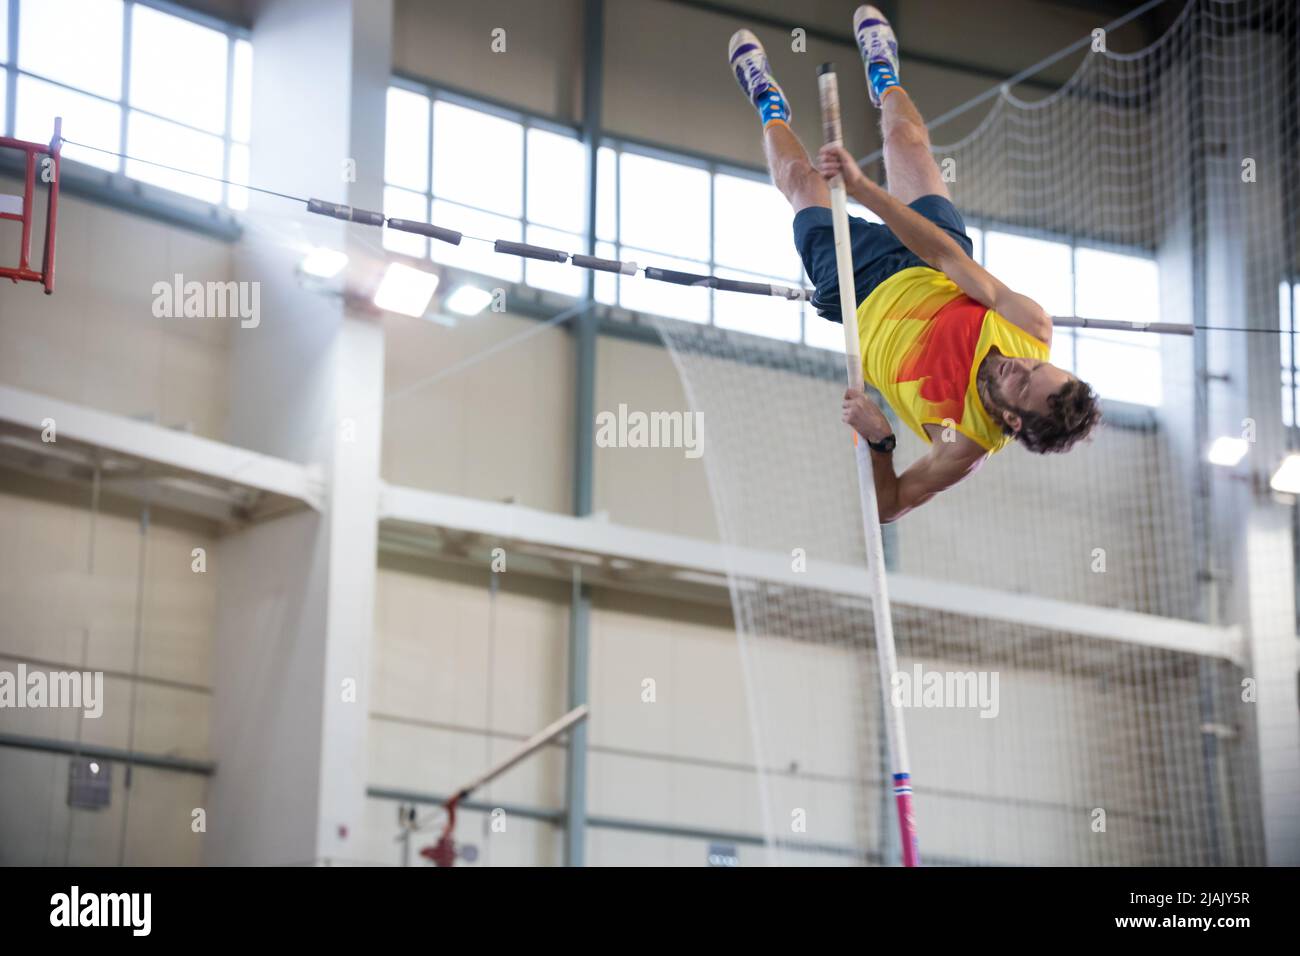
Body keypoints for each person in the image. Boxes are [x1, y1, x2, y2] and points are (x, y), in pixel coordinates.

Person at [728, 6, 1101, 522]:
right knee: (905, 142)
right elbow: (942, 254)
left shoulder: (961, 446)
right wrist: (862, 188)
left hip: (862, 291)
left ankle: (768, 103)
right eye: (1036, 365)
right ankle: (884, 75)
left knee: (800, 178)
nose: (1020, 364)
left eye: (1020, 383)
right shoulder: (1030, 326)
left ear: (1012, 422)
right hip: (931, 260)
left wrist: (881, 441)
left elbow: (889, 505)